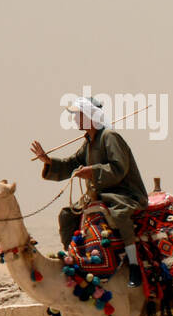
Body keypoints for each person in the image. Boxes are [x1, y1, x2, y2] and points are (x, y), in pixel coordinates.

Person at [31, 95, 149, 288]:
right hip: (99, 194)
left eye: (78, 115)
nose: (75, 119)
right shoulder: (88, 142)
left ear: (90, 116)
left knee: (119, 215)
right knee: (67, 215)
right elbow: (72, 164)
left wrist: (92, 172)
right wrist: (49, 161)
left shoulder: (110, 137)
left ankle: (134, 265)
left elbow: (119, 168)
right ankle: (73, 261)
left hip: (123, 193)